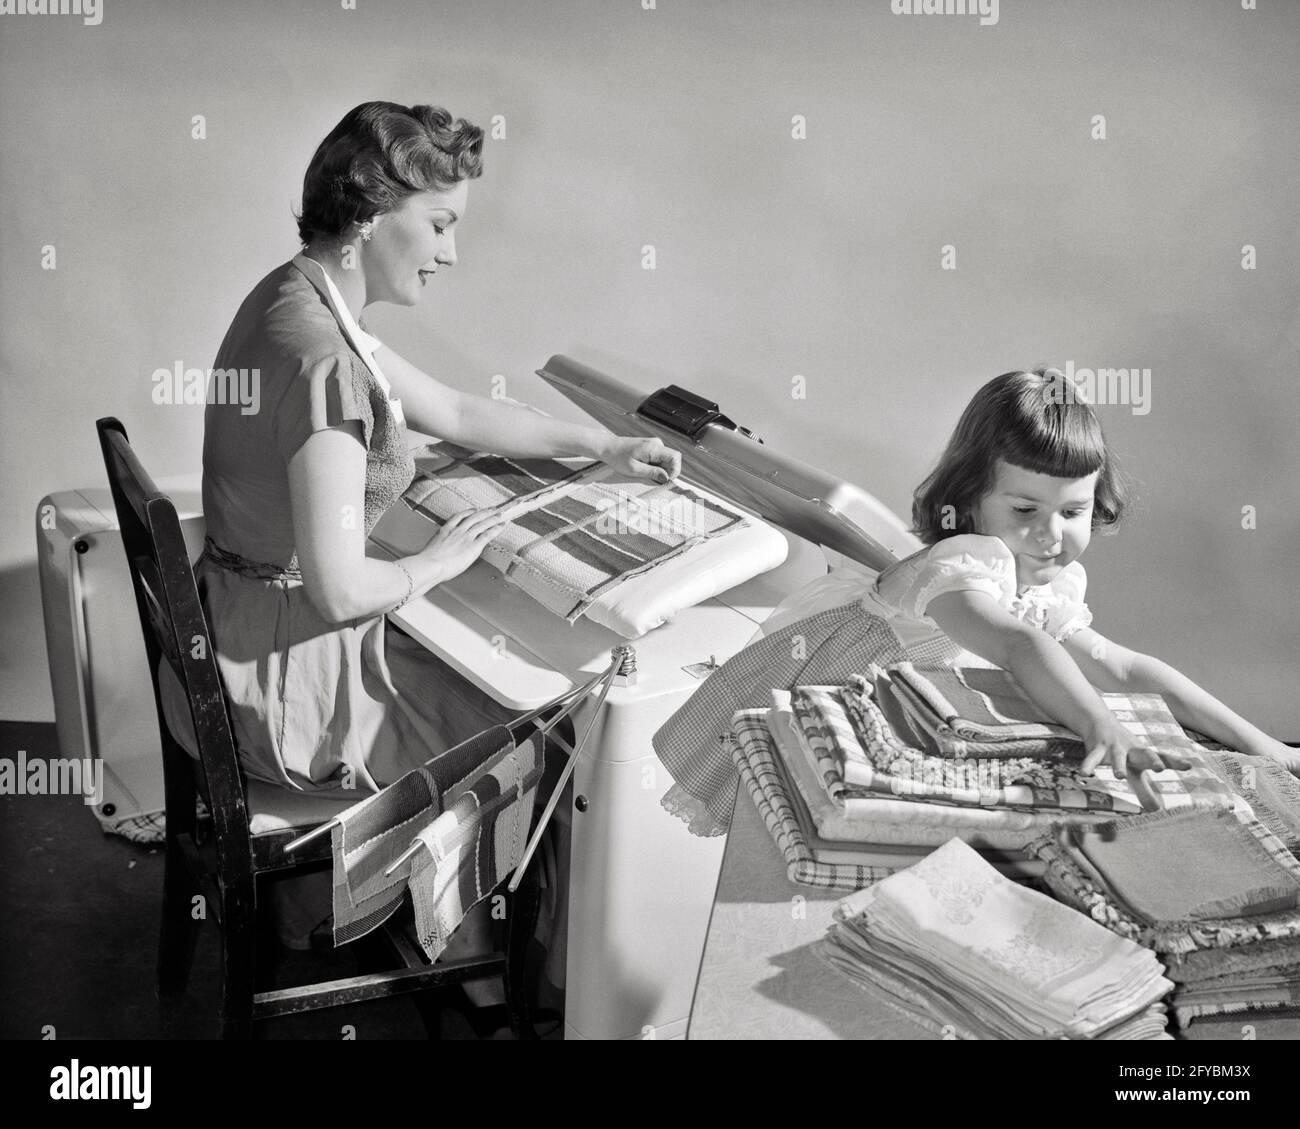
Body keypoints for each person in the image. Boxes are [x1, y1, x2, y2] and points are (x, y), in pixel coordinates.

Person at [158, 101, 679, 1010]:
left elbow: (457, 410)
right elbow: (340, 585)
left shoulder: (295, 295)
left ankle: (423, 912)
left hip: (238, 634)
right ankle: (485, 972)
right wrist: (438, 562)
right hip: (283, 685)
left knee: (495, 692)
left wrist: (599, 446)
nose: (449, 251)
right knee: (552, 731)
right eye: (439, 224)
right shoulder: (326, 361)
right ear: (369, 216)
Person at [652, 367, 1298, 836]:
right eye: (1024, 508)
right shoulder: (966, 560)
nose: (1051, 534)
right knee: (806, 833)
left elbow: (1123, 666)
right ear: (970, 499)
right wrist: (1100, 722)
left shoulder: (1045, 581)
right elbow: (1018, 646)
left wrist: (1265, 744)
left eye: (1072, 511)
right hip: (836, 703)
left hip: (913, 713)